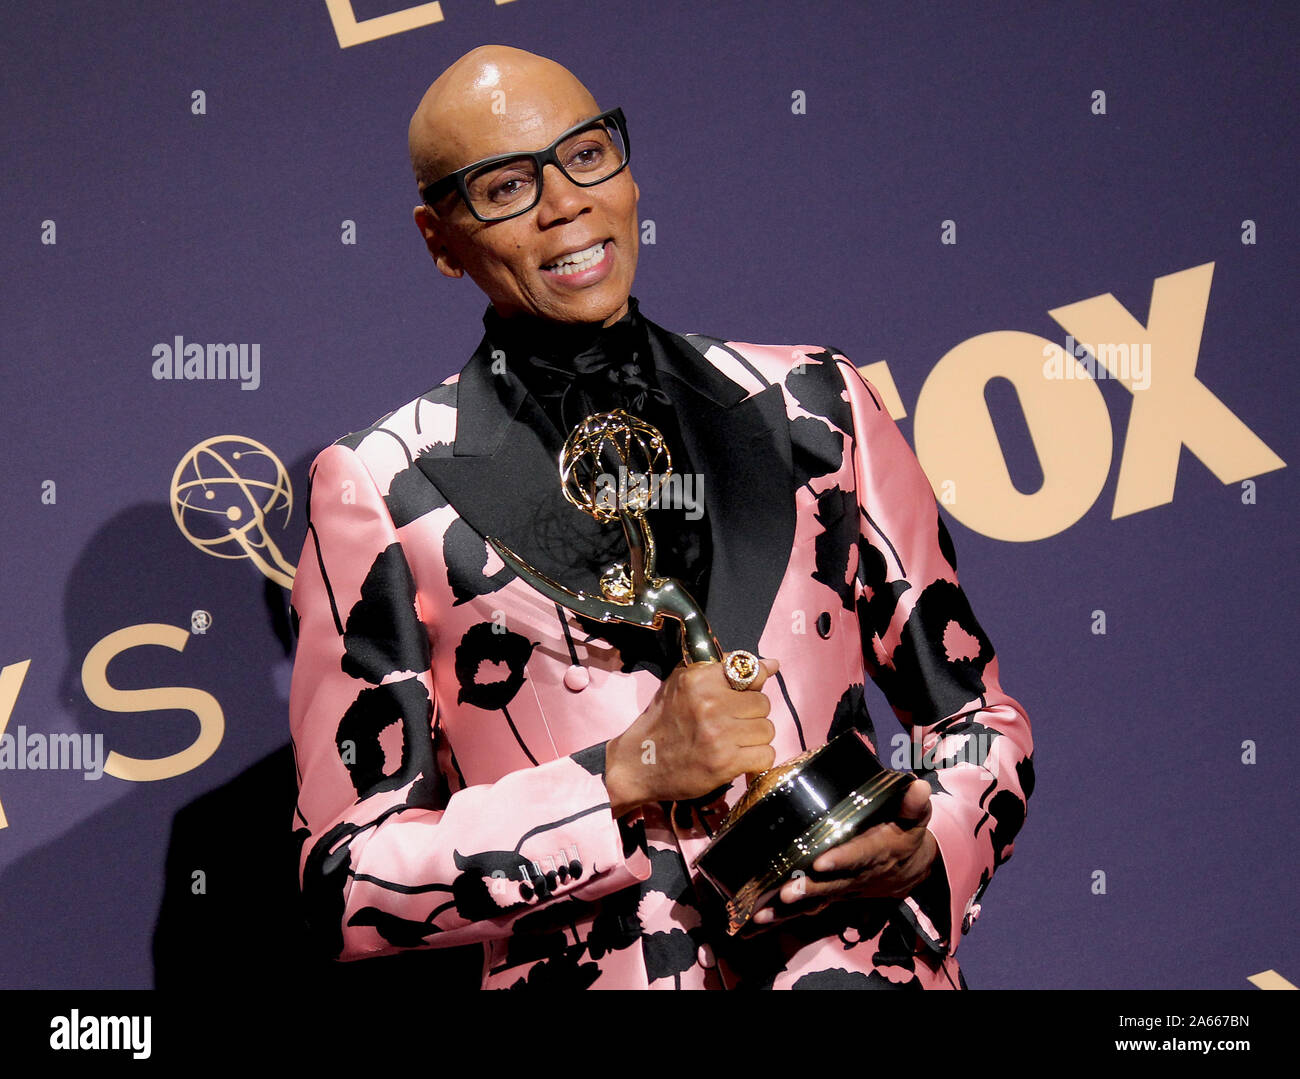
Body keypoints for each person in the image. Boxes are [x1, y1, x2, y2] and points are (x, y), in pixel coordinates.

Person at [288, 45, 1033, 989]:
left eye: (587, 155)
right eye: (506, 186)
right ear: (440, 238)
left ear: (628, 171)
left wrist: (930, 847)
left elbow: (976, 716)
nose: (565, 203)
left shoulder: (817, 404)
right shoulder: (384, 486)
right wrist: (615, 778)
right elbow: (344, 879)